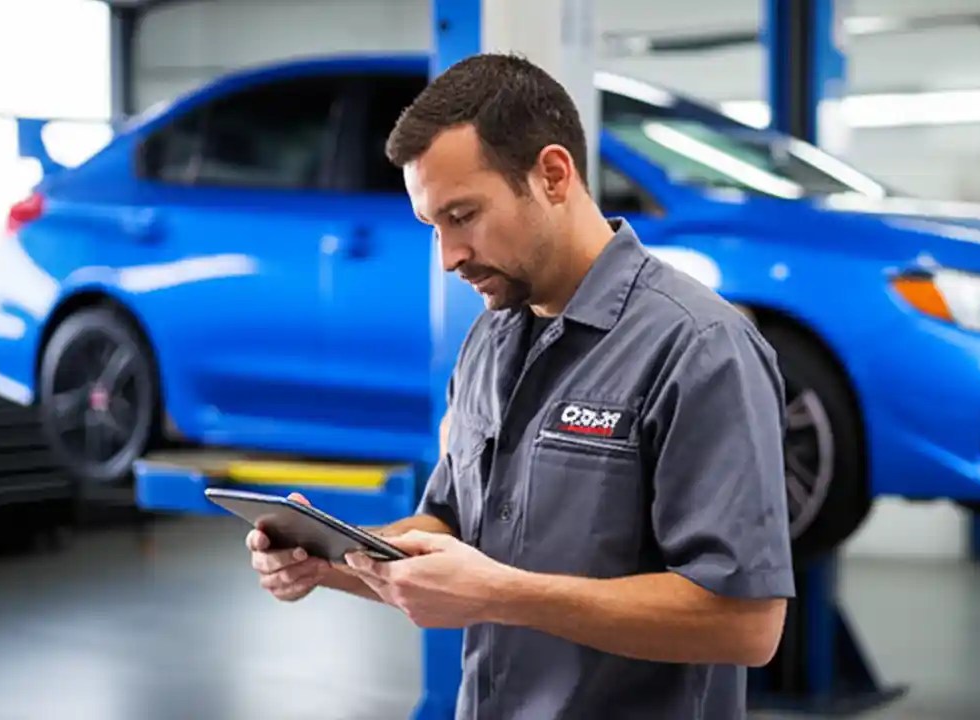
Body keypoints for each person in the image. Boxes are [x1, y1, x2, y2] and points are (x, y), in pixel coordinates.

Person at [247, 52, 795, 719]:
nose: (448, 257)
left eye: (464, 215)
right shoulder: (490, 337)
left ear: (553, 175)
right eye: (433, 227)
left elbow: (745, 625)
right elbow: (450, 529)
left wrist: (501, 594)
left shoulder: (698, 348)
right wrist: (332, 560)